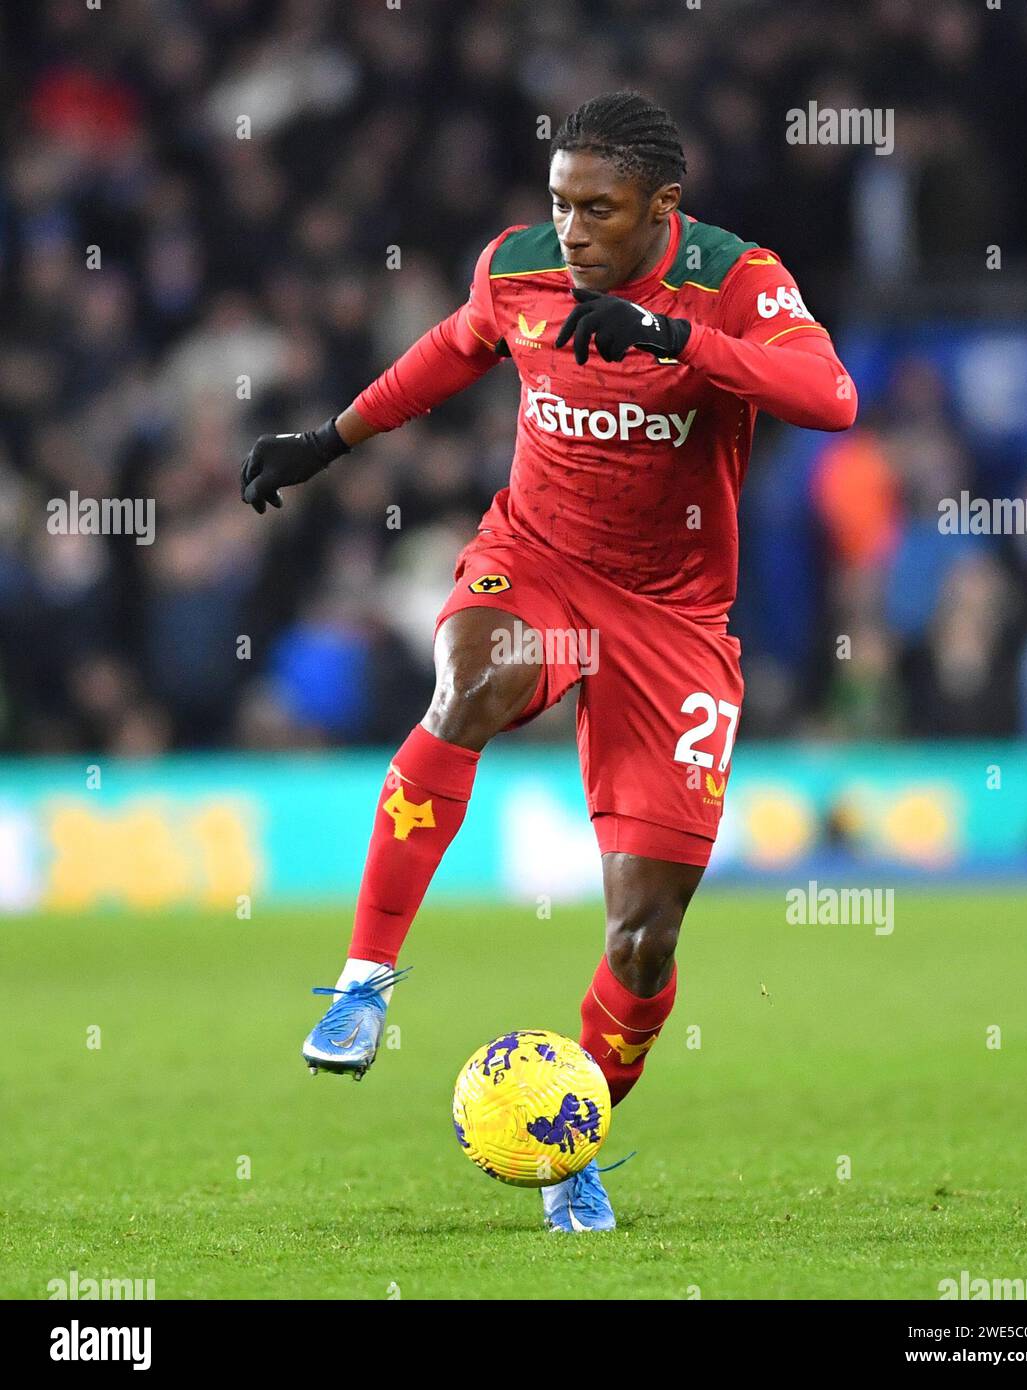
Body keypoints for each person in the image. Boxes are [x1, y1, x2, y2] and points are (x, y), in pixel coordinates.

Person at [241, 91, 857, 1232]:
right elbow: (451, 349)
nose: (571, 230)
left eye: (598, 210)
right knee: (468, 684)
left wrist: (675, 339)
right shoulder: (517, 268)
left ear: (661, 207)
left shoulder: (736, 278)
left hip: (672, 624)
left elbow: (830, 394)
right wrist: (327, 440)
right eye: (560, 203)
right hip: (537, 563)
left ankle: (574, 1131)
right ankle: (364, 985)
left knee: (643, 930)